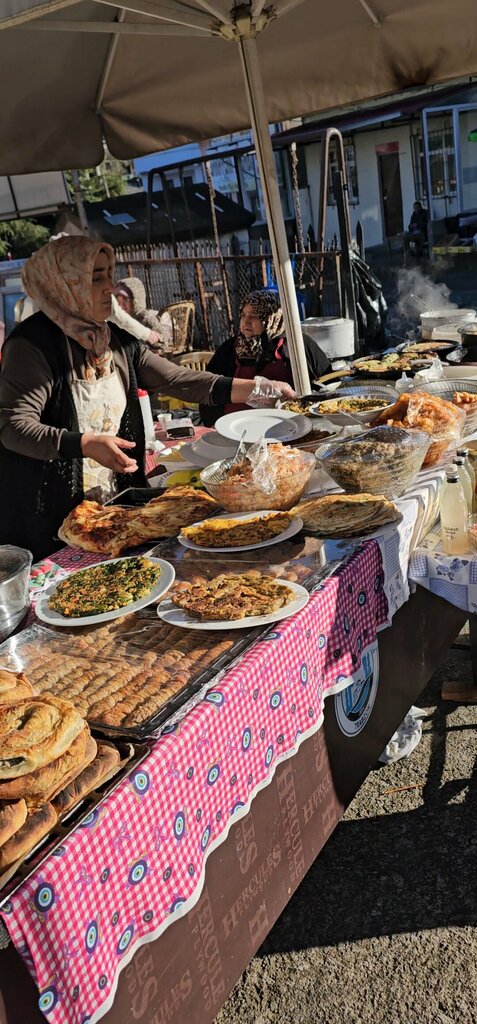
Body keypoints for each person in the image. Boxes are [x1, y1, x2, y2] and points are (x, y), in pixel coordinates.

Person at [0, 237, 295, 560]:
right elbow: (13, 426)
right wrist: (82, 443)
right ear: (63, 283)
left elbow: (176, 379)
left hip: (110, 508)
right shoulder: (31, 346)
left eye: (109, 275)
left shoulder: (113, 339)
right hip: (51, 516)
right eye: (95, 277)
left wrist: (256, 389)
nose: (109, 287)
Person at [199, 290, 331, 427]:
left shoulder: (298, 345)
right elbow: (210, 391)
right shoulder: (228, 349)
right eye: (243, 315)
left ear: (271, 318)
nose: (246, 321)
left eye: (254, 316)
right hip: (235, 427)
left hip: (286, 425)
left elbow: (327, 384)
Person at [115, 277, 173, 353]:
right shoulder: (114, 322)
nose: (120, 305)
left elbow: (163, 343)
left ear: (136, 299)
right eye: (116, 299)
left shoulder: (150, 319)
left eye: (126, 299)